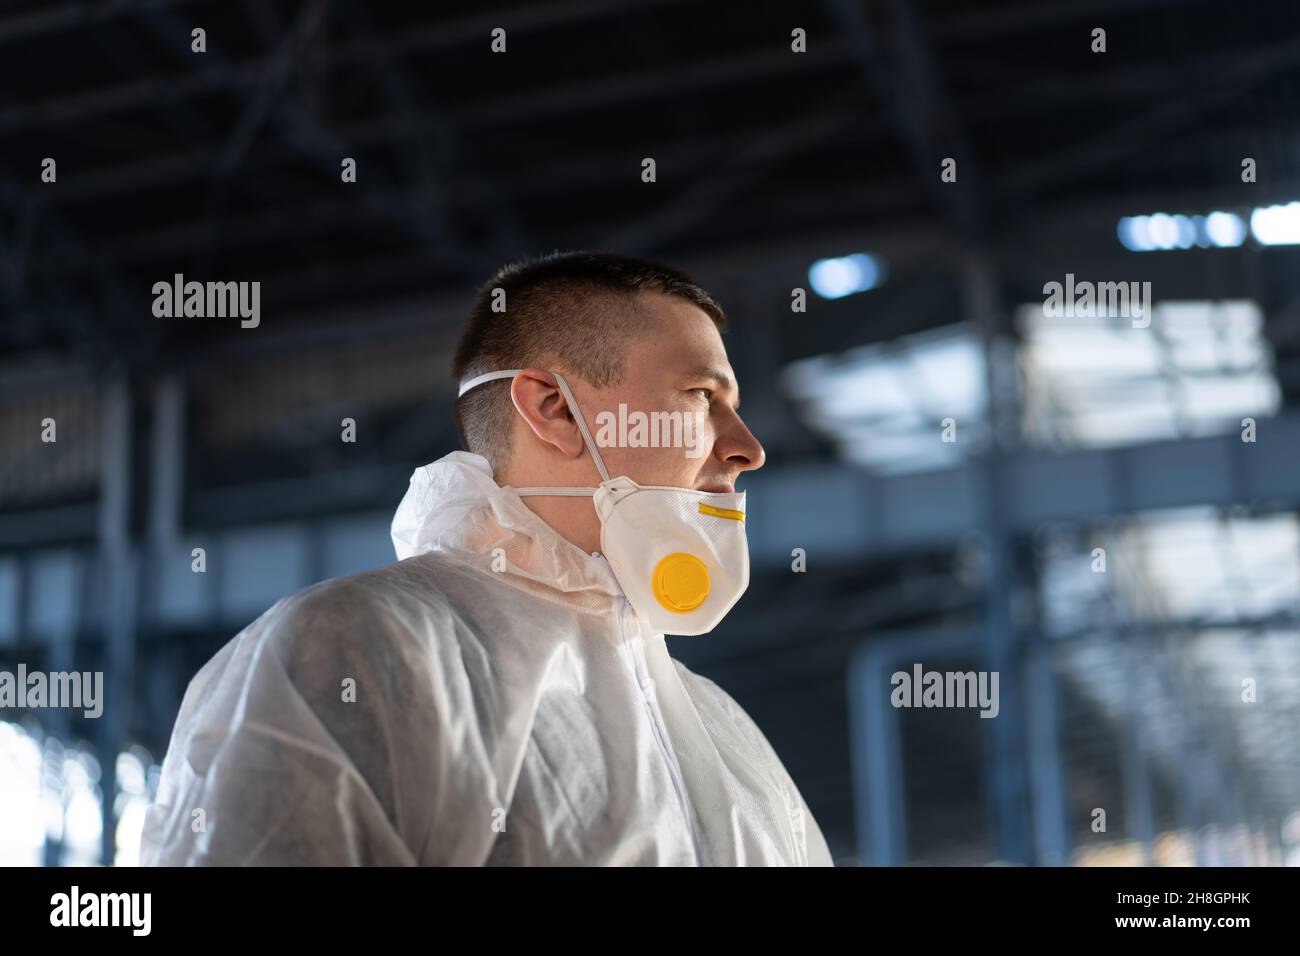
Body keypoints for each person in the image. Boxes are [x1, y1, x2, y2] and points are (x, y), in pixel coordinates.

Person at [140, 251, 834, 866]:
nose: (748, 447)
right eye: (702, 397)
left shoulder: (727, 734)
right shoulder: (352, 654)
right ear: (555, 408)